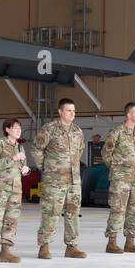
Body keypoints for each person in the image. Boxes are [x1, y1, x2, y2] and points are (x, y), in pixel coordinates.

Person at [31, 97, 87, 259]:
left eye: (74, 111)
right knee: (51, 212)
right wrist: (46, 168)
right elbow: (36, 149)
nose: (72, 114)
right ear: (60, 112)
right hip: (54, 180)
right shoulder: (49, 129)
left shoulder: (77, 131)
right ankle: (44, 246)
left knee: (73, 213)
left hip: (74, 180)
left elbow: (80, 150)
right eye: (69, 110)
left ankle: (72, 246)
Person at [102, 101, 135, 254]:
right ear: (129, 114)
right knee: (118, 209)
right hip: (120, 179)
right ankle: (112, 242)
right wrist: (117, 169)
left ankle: (130, 242)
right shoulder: (117, 132)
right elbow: (105, 153)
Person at [0, 118, 29, 264]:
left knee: (11, 220)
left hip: (16, 190)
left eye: (20, 128)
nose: (18, 130)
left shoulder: (20, 147)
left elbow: (23, 165)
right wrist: (13, 158)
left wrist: (25, 169)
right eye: (15, 128)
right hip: (0, 189)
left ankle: (5, 252)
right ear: (7, 129)